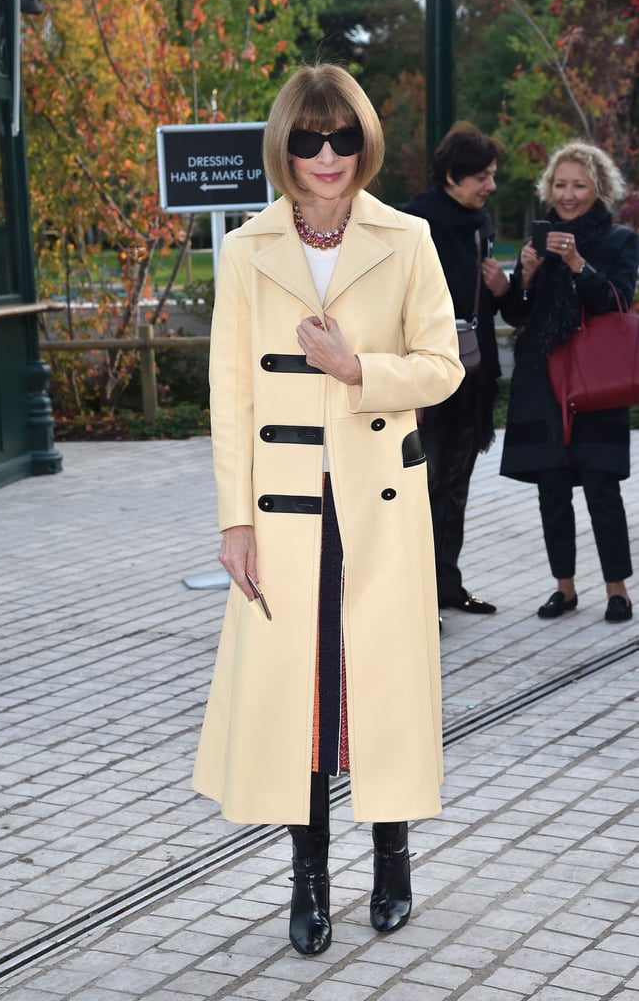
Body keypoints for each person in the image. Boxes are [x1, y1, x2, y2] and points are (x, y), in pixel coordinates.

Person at [191, 63, 464, 956]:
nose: (326, 155)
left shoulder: (408, 237)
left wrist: (358, 371)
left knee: (376, 689)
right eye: (307, 138)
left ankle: (392, 859)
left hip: (376, 503)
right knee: (299, 699)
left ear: (364, 142)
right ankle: (307, 880)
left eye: (342, 137)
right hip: (282, 511)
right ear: (284, 144)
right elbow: (230, 395)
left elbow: (443, 365)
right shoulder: (246, 248)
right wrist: (235, 523)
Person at [500, 141, 638, 621]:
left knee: (602, 486)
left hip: (596, 381)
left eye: (579, 185)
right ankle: (565, 587)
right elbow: (517, 314)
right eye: (560, 184)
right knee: (552, 489)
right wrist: (525, 276)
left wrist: (578, 262)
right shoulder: (539, 242)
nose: (568, 194)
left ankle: (617, 589)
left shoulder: (618, 241)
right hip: (543, 377)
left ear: (598, 188)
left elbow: (616, 302)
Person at [401, 122, 509, 618]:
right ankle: (418, 597)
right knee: (427, 485)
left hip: (471, 373)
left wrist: (500, 285)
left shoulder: (479, 225)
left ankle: (447, 585)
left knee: (457, 485)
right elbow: (398, 309)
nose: (489, 185)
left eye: (491, 176)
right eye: (481, 176)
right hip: (427, 379)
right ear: (450, 175)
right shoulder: (415, 225)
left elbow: (485, 302)